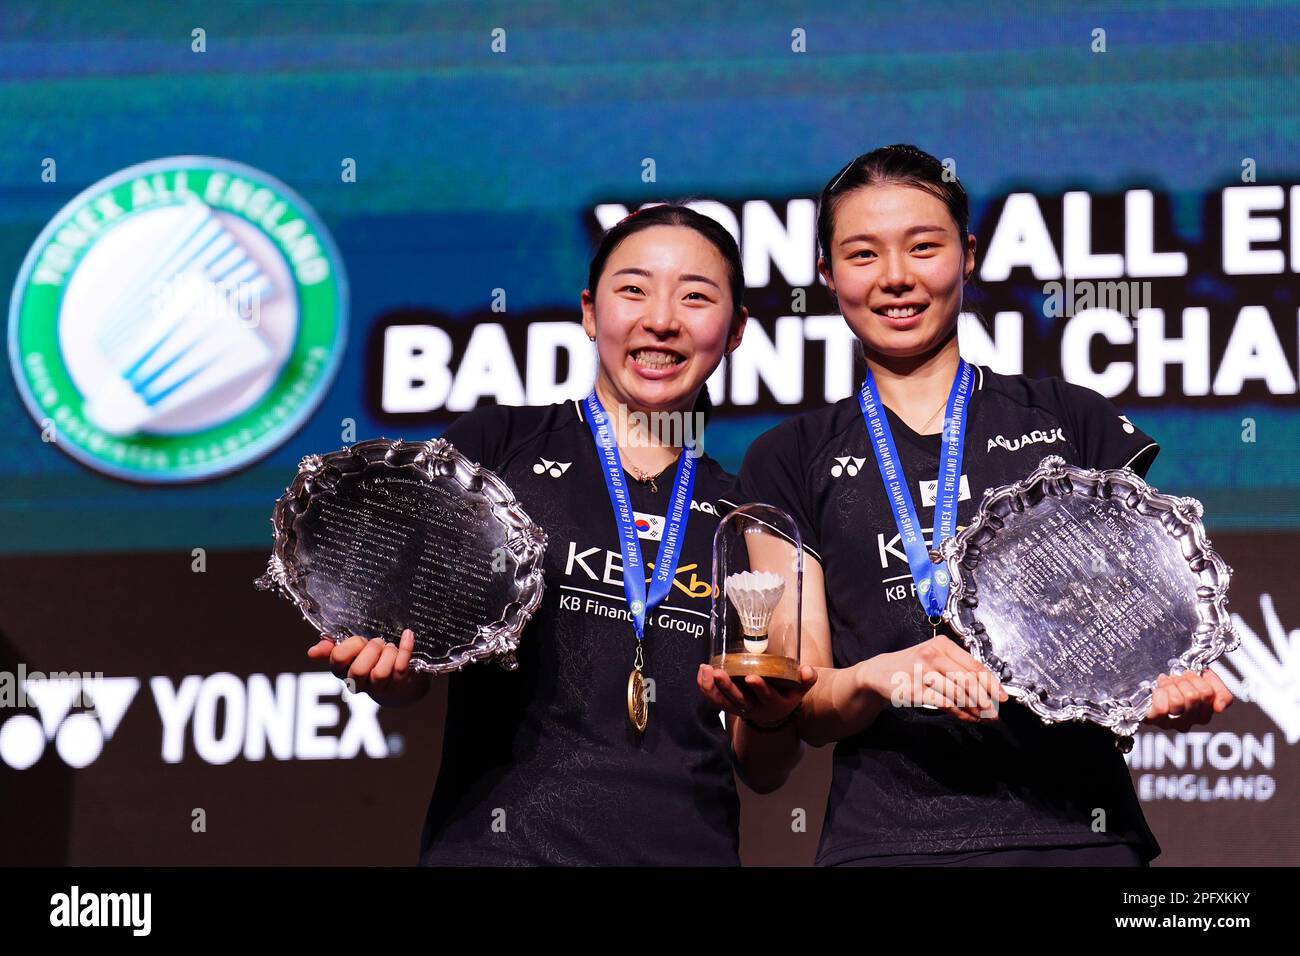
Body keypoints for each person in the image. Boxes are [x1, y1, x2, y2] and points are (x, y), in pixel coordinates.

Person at [708, 144, 1233, 867]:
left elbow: (1135, 625)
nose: (896, 277)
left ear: (969, 254)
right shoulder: (789, 456)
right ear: (827, 273)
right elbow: (809, 698)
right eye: (862, 255)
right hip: (886, 848)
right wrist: (875, 677)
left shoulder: (1068, 418)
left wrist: (1166, 680)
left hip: (1079, 837)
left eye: (924, 246)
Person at [308, 203, 808, 865]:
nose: (660, 320)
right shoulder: (499, 446)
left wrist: (771, 715)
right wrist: (391, 674)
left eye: (695, 296)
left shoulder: (744, 512)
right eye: (633, 290)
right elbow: (412, 643)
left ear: (737, 329)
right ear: (590, 312)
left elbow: (765, 768)